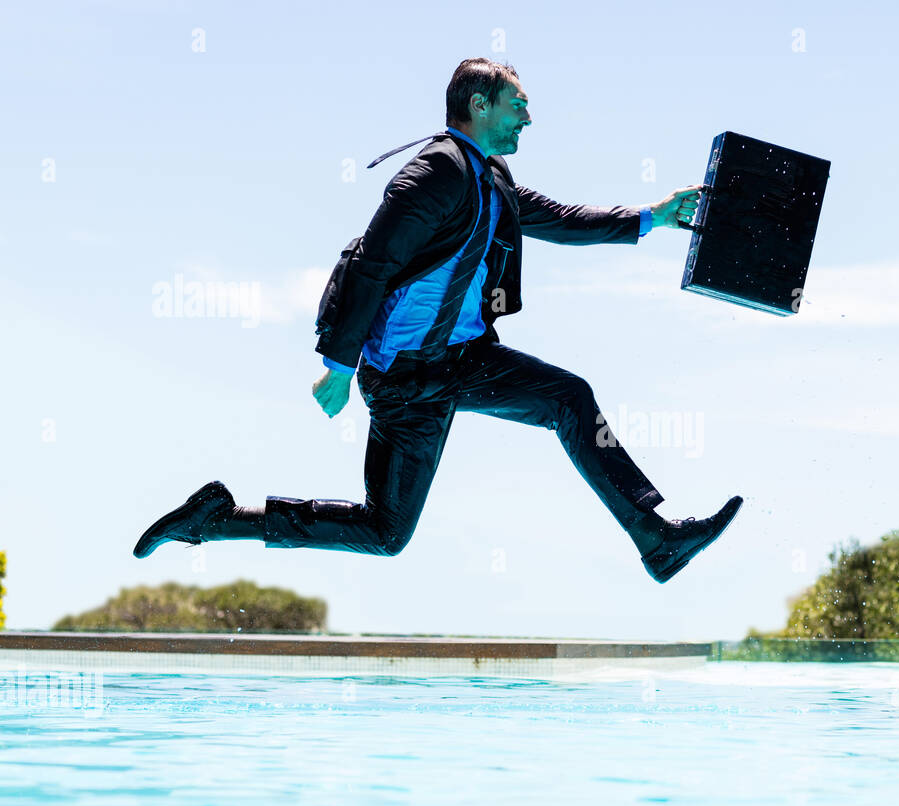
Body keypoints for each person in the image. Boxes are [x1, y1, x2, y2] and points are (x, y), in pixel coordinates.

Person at [134, 57, 741, 583]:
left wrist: (650, 218)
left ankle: (656, 538)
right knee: (385, 532)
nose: (528, 120)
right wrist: (339, 367)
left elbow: (555, 217)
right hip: (405, 376)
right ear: (479, 105)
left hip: (465, 361)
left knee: (569, 398)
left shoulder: (489, 174)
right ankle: (217, 521)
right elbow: (372, 265)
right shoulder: (433, 175)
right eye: (518, 107)